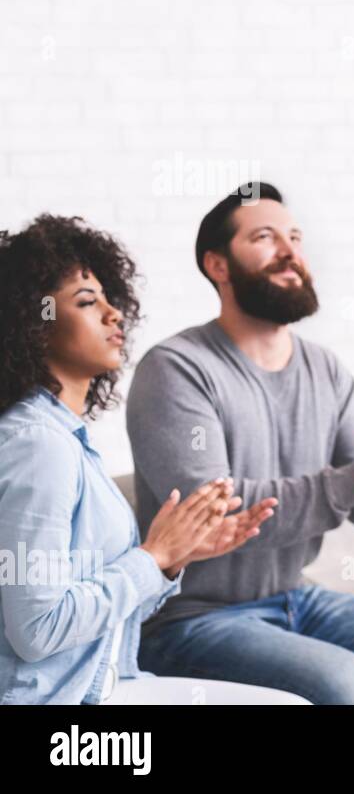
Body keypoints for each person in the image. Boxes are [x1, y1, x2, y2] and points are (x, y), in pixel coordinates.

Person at [127, 183, 354, 705]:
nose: (290, 251)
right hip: (189, 618)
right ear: (217, 265)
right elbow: (214, 514)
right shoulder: (176, 368)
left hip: (296, 596)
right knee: (349, 685)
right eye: (265, 237)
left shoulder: (323, 369)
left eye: (295, 236)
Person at [0, 213, 302, 704]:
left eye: (107, 298)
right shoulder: (39, 446)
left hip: (106, 683)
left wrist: (169, 563)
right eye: (85, 301)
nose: (113, 313)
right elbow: (38, 631)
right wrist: (151, 556)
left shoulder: (67, 440)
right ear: (34, 323)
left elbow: (102, 626)